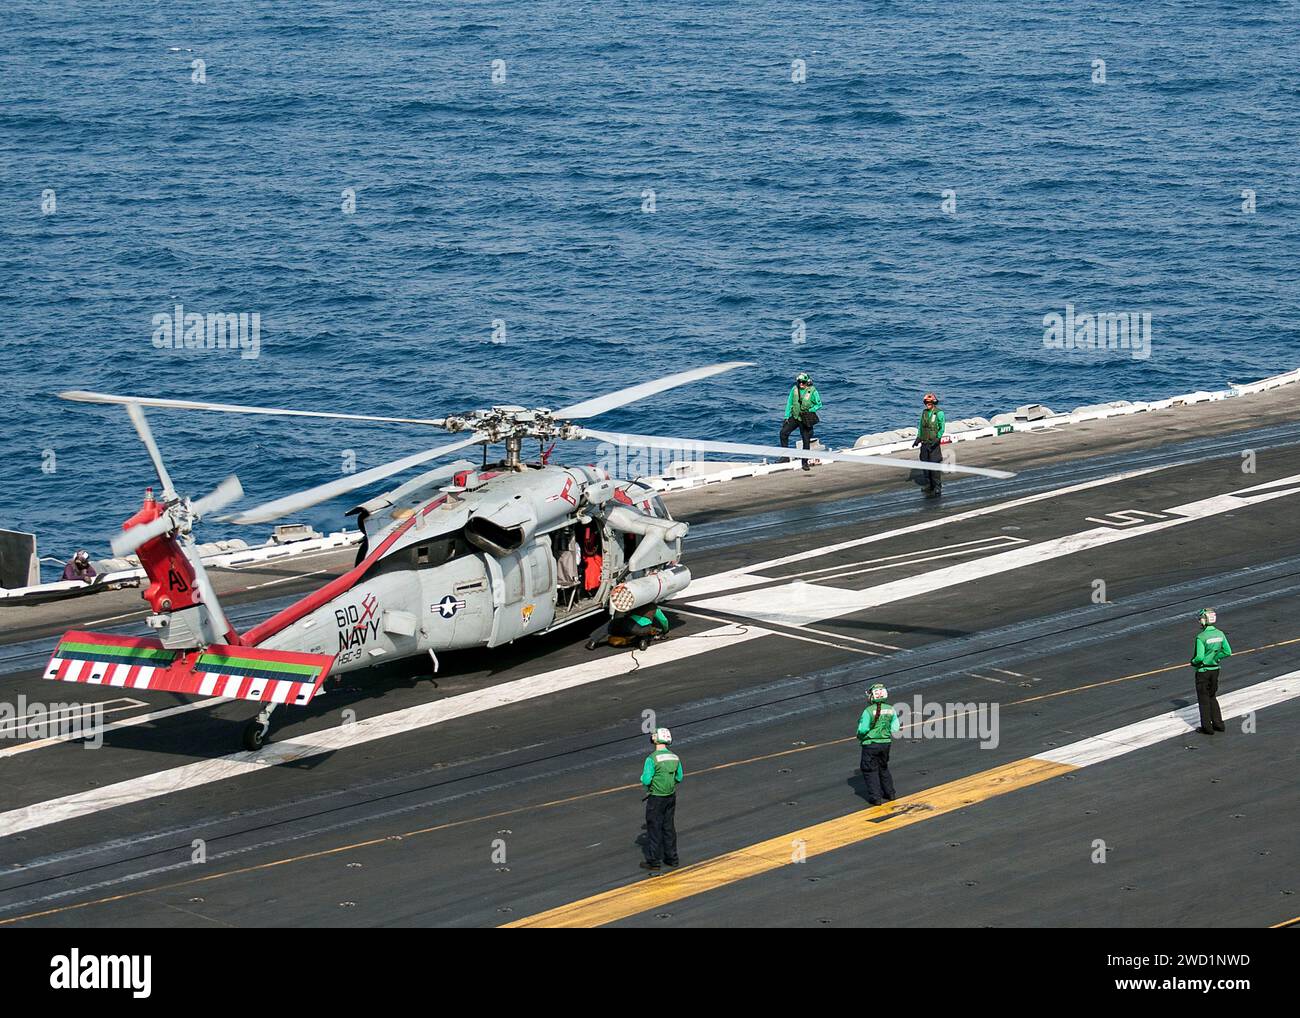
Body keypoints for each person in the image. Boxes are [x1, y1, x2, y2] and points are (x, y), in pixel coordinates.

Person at [640, 727, 683, 871]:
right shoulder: (675, 757)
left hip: (656, 798)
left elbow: (646, 780)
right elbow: (679, 777)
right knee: (668, 826)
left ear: (656, 739)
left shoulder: (651, 759)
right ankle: (672, 858)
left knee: (654, 828)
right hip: (671, 797)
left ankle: (654, 861)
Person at [856, 682, 900, 805]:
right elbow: (895, 727)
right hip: (886, 743)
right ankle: (890, 793)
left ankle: (876, 797)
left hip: (870, 744)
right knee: (883, 767)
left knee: (869, 770)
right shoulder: (891, 709)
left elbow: (862, 729)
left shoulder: (868, 711)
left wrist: (860, 737)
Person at [1190, 608, 1232, 735]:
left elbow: (1199, 657)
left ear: (1204, 620)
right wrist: (1216, 657)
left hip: (1203, 671)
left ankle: (1207, 728)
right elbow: (1227, 652)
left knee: (1203, 700)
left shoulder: (1201, 637)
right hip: (1215, 670)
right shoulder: (1220, 634)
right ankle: (1219, 724)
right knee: (1212, 697)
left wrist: (1193, 662)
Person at [780, 372, 822, 471]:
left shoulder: (812, 391)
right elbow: (789, 403)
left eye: (803, 382)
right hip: (795, 417)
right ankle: (785, 457)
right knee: (783, 433)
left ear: (807, 382)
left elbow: (819, 404)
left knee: (806, 440)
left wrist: (811, 410)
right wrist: (786, 416)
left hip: (805, 418)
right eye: (799, 382)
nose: (801, 384)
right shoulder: (794, 389)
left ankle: (805, 462)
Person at [912, 392, 946, 497]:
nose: (928, 404)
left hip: (934, 443)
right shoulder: (924, 413)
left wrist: (937, 438)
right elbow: (921, 426)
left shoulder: (939, 413)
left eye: (930, 402)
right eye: (926, 402)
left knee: (934, 465)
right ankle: (929, 485)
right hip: (924, 443)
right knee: (925, 464)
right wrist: (918, 438)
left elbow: (942, 427)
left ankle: (937, 486)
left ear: (934, 403)